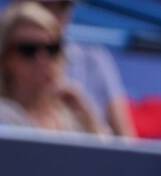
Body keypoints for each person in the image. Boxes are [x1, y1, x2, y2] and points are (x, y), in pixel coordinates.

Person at [31, 0, 134, 136]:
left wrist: (89, 121)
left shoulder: (94, 57)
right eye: (44, 5)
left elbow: (126, 140)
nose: (53, 15)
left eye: (63, 6)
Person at [0, 1, 103, 132]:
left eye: (52, 49)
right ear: (5, 58)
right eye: (28, 50)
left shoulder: (74, 112)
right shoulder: (4, 115)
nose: (43, 60)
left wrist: (89, 120)